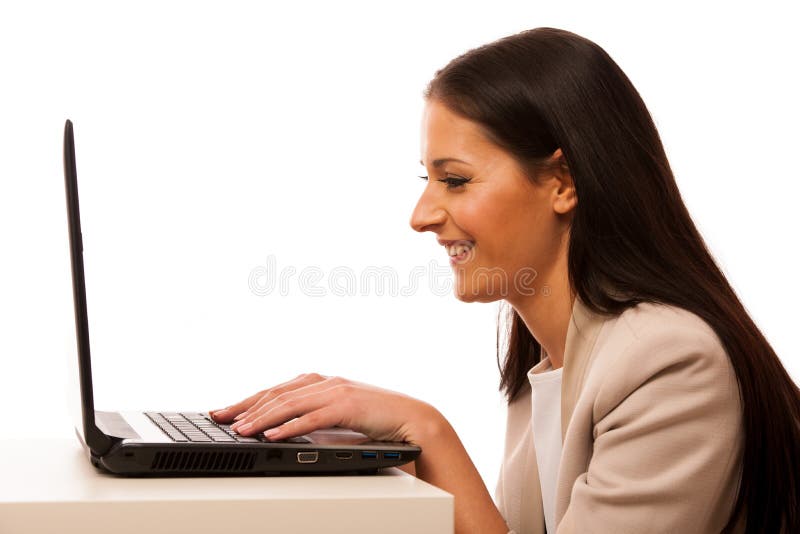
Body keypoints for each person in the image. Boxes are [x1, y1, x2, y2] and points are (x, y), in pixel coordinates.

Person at [210, 27, 800, 533]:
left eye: (456, 180)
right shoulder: (547, 361)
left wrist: (428, 431)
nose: (421, 216)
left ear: (563, 182)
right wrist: (386, 467)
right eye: (428, 179)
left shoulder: (669, 361)